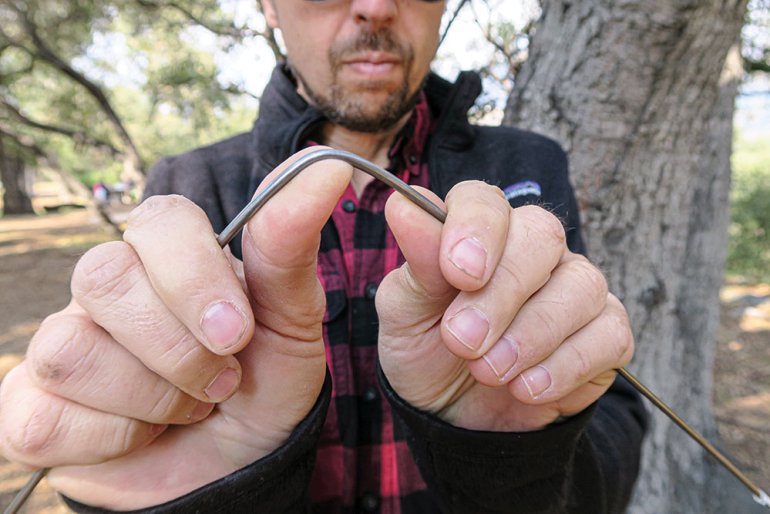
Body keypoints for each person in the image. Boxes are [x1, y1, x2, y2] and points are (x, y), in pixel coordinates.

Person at [0, 0, 648, 512]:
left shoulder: (528, 164)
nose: (376, 7)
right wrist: (203, 495)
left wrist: (517, 456)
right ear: (268, 7)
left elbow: (613, 422)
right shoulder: (193, 184)